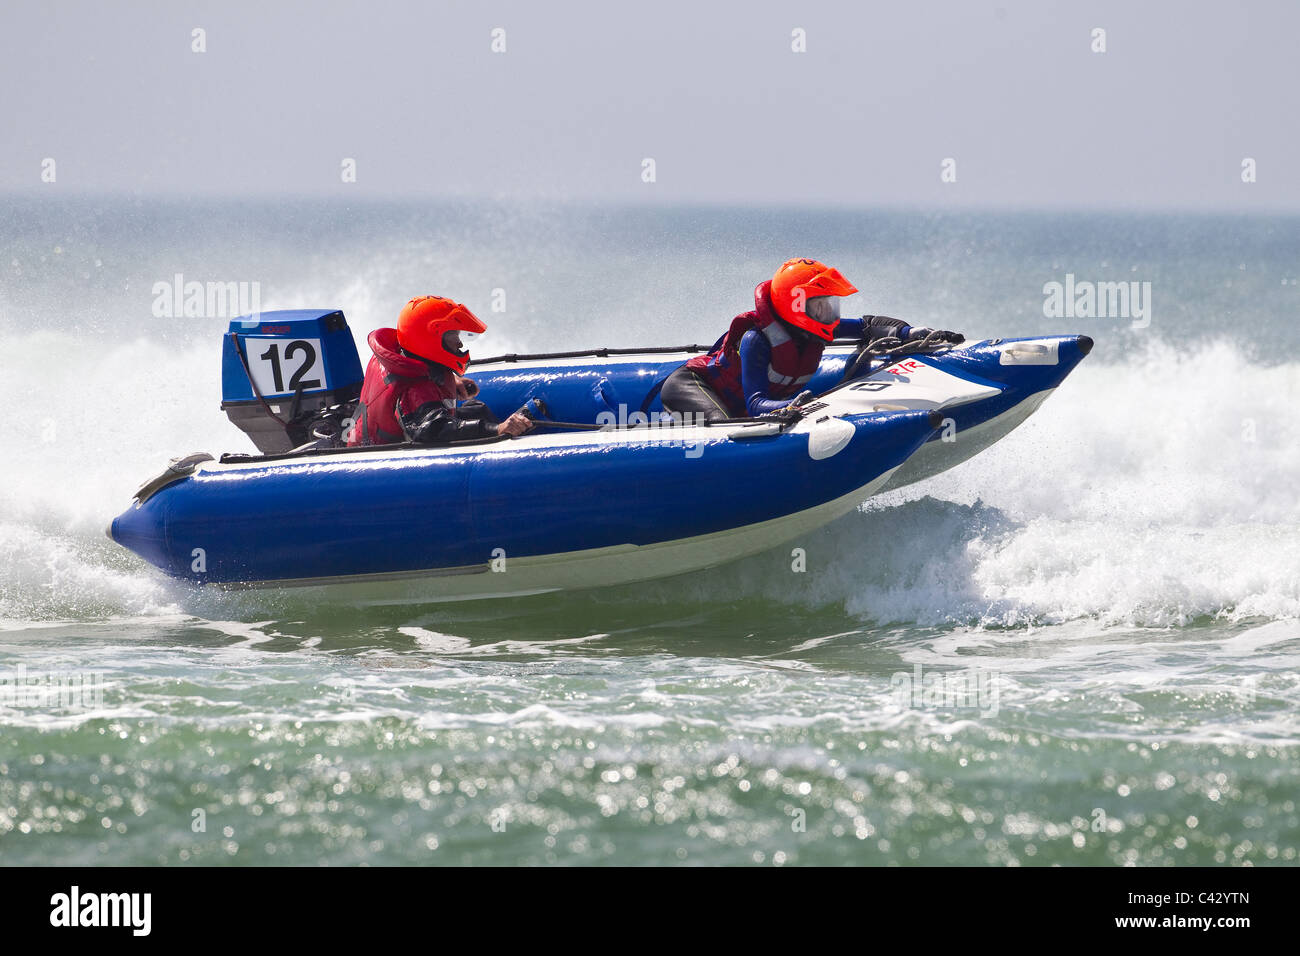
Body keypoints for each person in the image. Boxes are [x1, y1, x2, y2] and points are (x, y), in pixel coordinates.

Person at [660, 258, 964, 422]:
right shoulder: (758, 340)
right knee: (721, 425)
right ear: (794, 305)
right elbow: (755, 405)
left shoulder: (815, 329)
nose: (828, 313)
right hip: (692, 386)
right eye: (819, 305)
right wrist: (794, 405)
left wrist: (909, 333)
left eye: (829, 304)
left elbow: (866, 326)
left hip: (743, 402)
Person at [347, 295, 534, 446]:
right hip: (385, 464)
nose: (459, 343)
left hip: (399, 430)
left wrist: (447, 379)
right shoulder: (414, 388)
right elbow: (434, 430)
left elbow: (417, 366)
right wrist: (498, 430)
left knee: (478, 410)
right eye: (453, 335)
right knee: (480, 420)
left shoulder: (397, 354)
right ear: (430, 338)